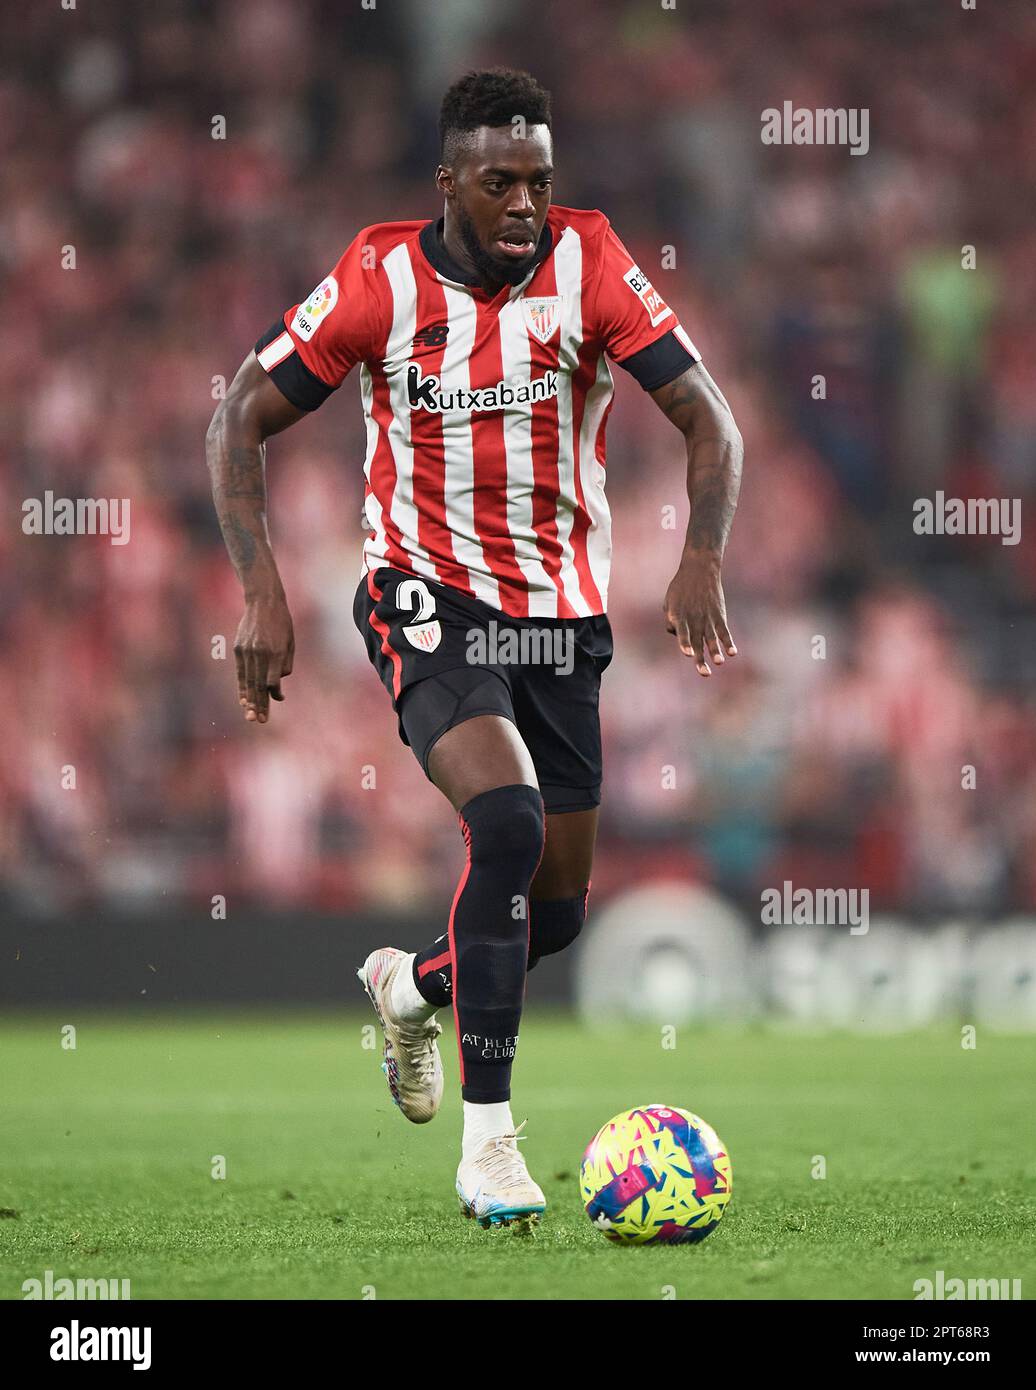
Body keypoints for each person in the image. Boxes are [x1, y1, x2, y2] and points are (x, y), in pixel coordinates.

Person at [206, 67, 743, 1229]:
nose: (522, 204)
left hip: (560, 623)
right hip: (423, 592)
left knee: (549, 915)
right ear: (445, 182)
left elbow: (710, 418)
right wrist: (262, 590)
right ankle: (489, 1150)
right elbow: (238, 410)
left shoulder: (591, 261)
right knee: (499, 824)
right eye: (498, 182)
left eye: (538, 181)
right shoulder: (378, 276)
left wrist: (699, 555)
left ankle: (410, 989)